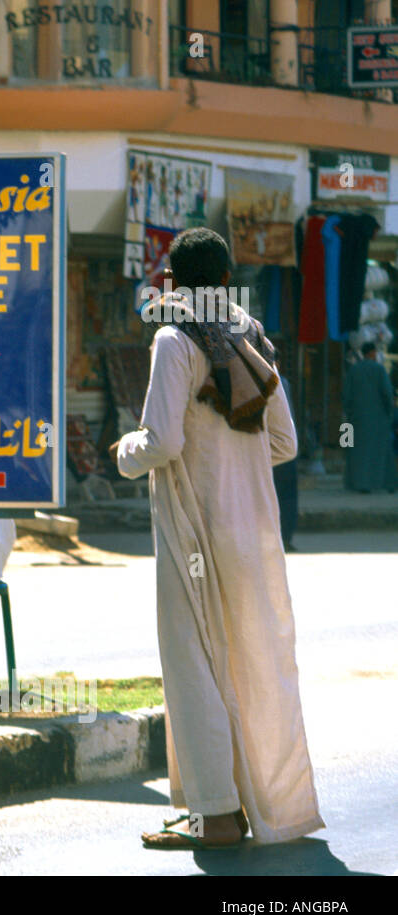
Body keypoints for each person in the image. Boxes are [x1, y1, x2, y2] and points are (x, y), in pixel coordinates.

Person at [113, 227, 323, 849]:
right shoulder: (252, 337)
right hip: (254, 526)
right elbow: (282, 443)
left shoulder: (174, 339)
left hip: (194, 524)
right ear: (228, 280)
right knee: (256, 660)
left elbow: (161, 444)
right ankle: (267, 803)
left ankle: (218, 816)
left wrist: (124, 450)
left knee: (193, 663)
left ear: (172, 282)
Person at [341, 342, 397, 493]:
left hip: (357, 418)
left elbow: (346, 395)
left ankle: (359, 484)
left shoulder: (353, 370)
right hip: (378, 419)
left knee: (357, 452)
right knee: (382, 451)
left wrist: (349, 412)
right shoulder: (379, 369)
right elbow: (387, 393)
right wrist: (389, 412)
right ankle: (388, 484)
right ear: (372, 353)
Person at [271, 376, 299, 551]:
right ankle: (286, 537)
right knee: (287, 496)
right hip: (285, 447)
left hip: (266, 449)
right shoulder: (282, 381)